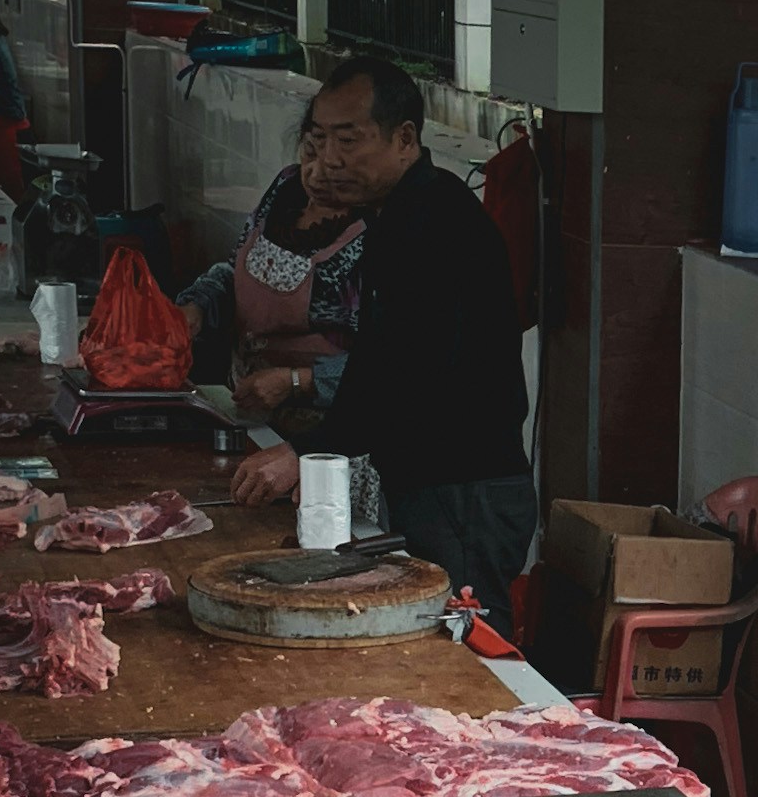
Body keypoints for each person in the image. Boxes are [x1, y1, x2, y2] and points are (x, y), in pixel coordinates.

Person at [228, 58, 536, 619]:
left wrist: (309, 452)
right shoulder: (395, 213)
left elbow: (405, 370)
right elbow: (380, 362)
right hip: (433, 482)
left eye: (350, 139)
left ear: (405, 138)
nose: (331, 158)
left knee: (466, 647)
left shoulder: (432, 221)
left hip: (466, 489)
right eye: (319, 139)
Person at [178, 103, 379, 424]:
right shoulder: (285, 189)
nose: (316, 174)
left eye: (336, 163)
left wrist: (297, 382)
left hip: (330, 431)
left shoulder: (378, 231)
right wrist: (197, 307)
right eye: (310, 153)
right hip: (248, 408)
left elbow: (392, 361)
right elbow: (236, 273)